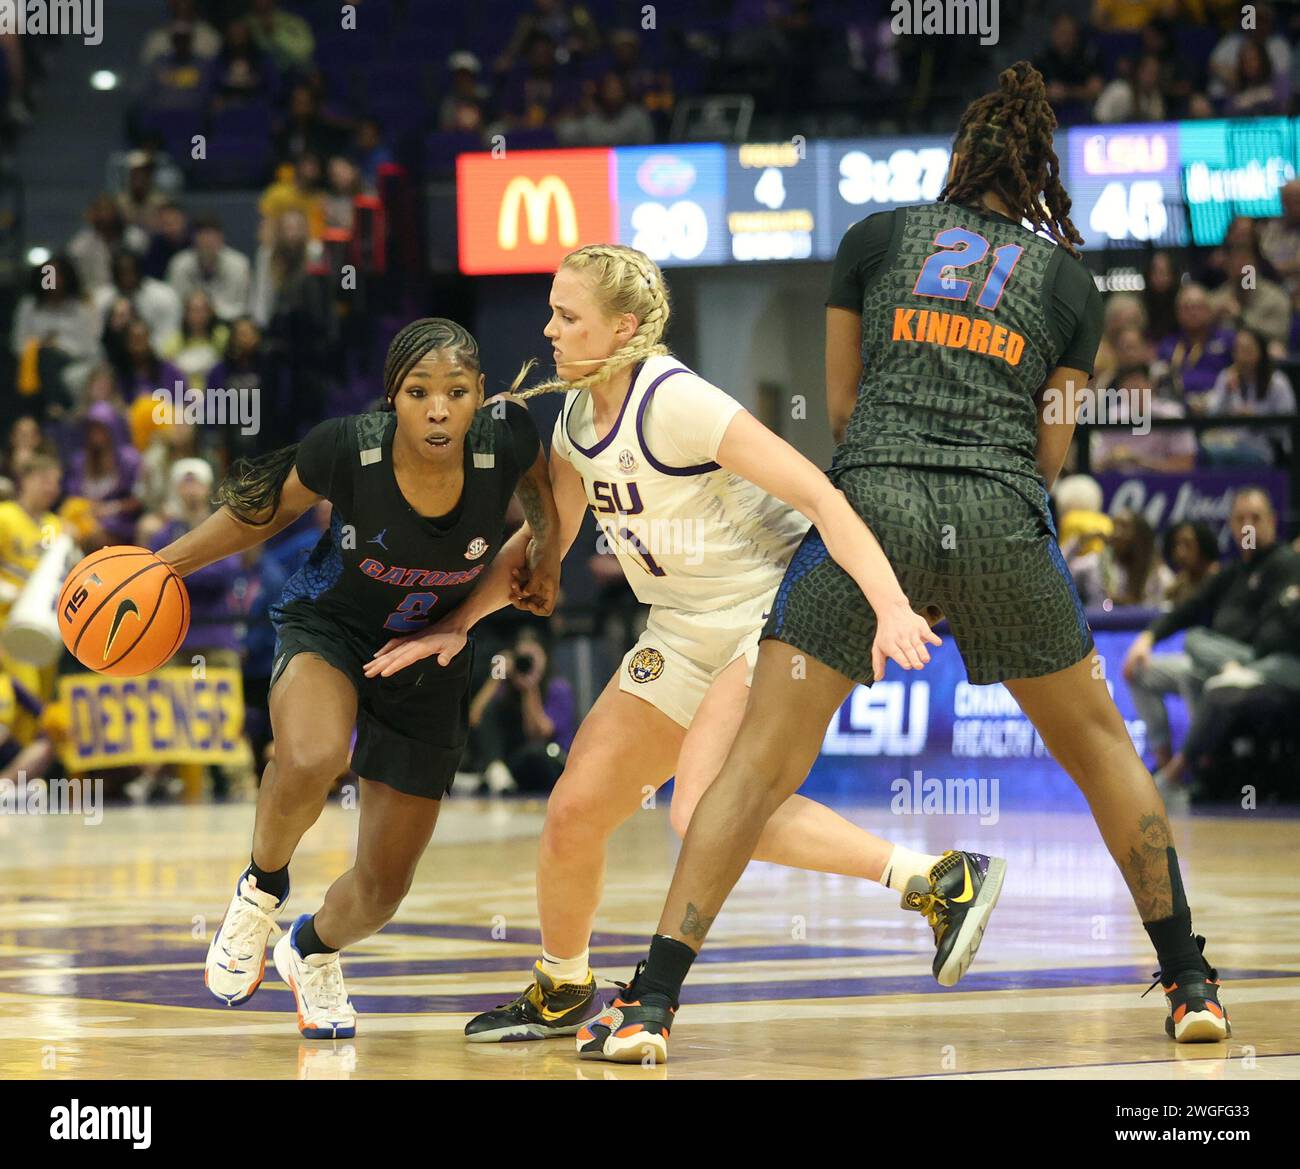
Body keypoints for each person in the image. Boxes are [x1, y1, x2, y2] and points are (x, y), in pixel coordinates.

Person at [576, 62, 1228, 1063]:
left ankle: (649, 1006)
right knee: (1102, 749)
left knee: (754, 767)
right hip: (1000, 515)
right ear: (1039, 176)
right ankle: (1189, 983)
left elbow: (840, 409)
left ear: (958, 163)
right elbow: (1052, 456)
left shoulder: (876, 238)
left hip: (871, 508)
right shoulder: (1068, 285)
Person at [367, 244, 971, 1048]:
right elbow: (542, 537)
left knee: (699, 810)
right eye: (551, 309)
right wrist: (458, 622)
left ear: (622, 327)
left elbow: (821, 494)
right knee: (575, 810)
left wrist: (890, 606)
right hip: (680, 627)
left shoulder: (678, 402)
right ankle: (562, 985)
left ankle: (933, 879)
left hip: (769, 611)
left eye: (567, 314)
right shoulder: (577, 416)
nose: (548, 328)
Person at [156, 319, 560, 1039]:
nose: (438, 408)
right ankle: (261, 887)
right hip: (330, 625)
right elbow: (261, 513)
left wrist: (548, 551)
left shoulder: (509, 438)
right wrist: (167, 565)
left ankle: (309, 951)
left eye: (457, 392)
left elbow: (539, 488)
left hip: (432, 654)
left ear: (479, 399)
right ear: (392, 399)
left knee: (382, 889)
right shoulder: (347, 447)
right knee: (312, 756)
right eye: (419, 391)